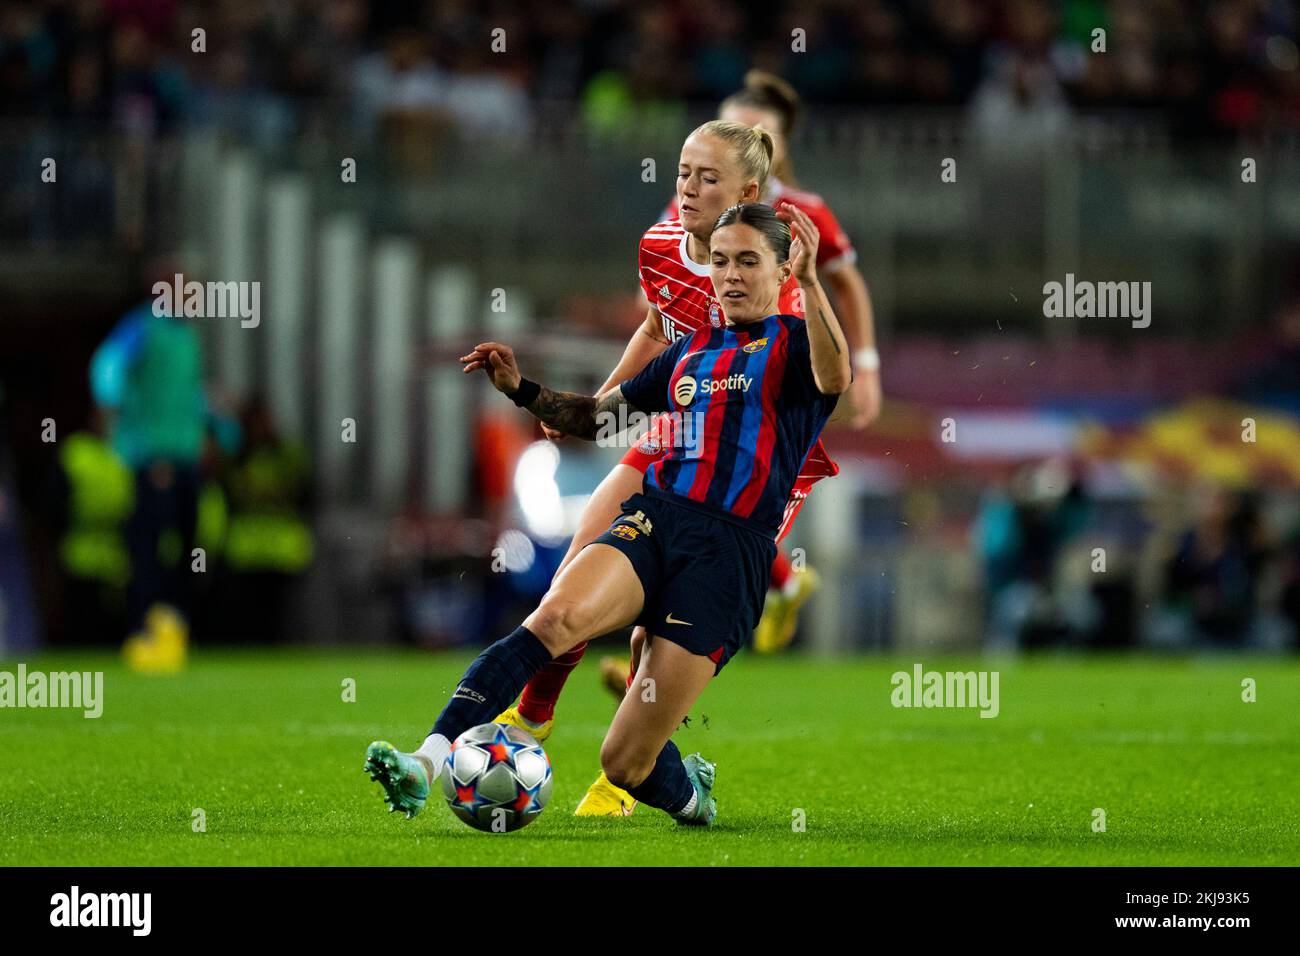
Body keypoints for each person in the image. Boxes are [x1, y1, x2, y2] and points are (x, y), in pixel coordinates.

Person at [365, 201, 850, 827]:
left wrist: (814, 285)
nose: (730, 275)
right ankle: (424, 762)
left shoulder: (796, 345)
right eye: (722, 261)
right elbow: (601, 417)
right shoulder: (692, 352)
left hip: (727, 558)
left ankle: (691, 793)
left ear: (784, 267)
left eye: (749, 262)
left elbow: (836, 378)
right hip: (656, 520)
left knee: (624, 763)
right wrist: (522, 390)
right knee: (557, 617)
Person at [494, 118, 823, 816]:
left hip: (754, 465)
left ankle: (625, 776)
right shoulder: (659, 247)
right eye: (683, 173)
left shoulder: (775, 294)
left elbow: (806, 390)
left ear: (749, 193)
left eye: (708, 178)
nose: (689, 188)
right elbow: (655, 326)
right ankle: (532, 718)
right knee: (580, 566)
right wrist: (602, 402)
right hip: (673, 432)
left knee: (655, 635)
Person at [654, 70, 883, 656]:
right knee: (670, 506)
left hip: (773, 384)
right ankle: (637, 674)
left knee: (727, 520)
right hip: (704, 380)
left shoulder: (800, 212)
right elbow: (656, 298)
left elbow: (847, 285)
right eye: (735, 128)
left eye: (762, 132)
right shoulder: (689, 209)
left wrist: (866, 364)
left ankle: (657, 678)